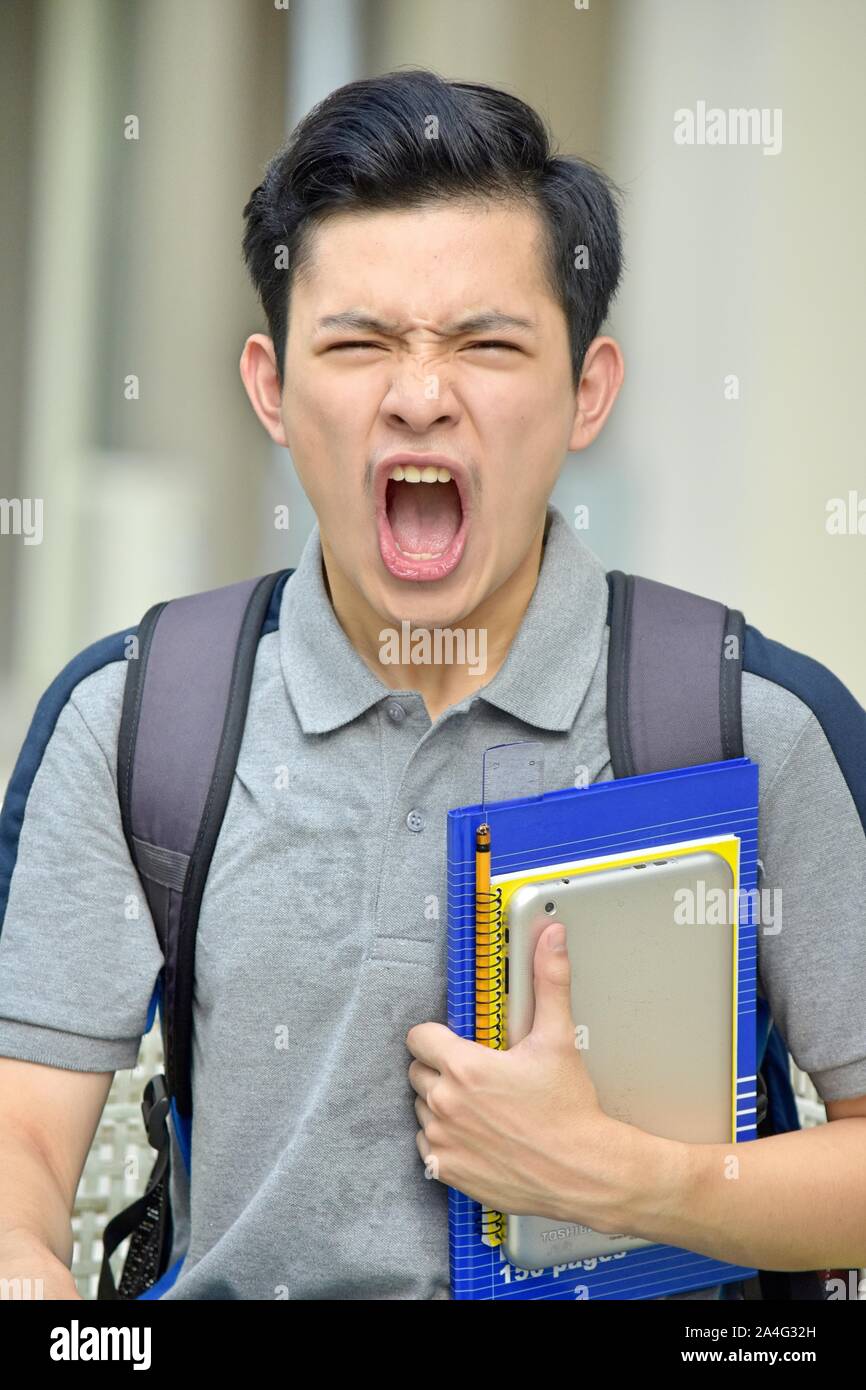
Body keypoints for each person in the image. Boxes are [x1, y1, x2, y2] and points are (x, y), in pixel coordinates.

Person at [1, 69, 864, 1302]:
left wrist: (620, 1179)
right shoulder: (137, 720)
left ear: (586, 392)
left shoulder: (753, 723)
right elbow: (24, 1136)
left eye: (485, 342)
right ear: (270, 388)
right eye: (355, 343)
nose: (418, 394)